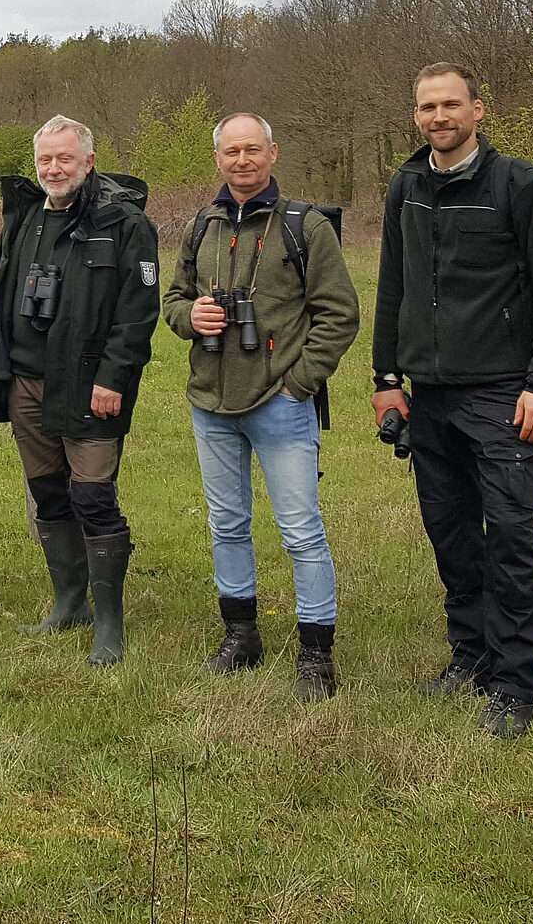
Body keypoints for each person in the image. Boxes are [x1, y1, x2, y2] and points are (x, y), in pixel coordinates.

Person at [372, 62, 533, 739]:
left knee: (511, 537)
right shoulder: (407, 184)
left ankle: (516, 686)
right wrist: (385, 378)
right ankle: (473, 656)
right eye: (427, 105)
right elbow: (393, 286)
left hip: (502, 393)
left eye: (451, 103)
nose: (439, 115)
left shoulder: (522, 186)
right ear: (416, 115)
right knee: (452, 534)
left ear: (478, 110)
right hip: (429, 395)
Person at [161, 113, 358, 699]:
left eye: (252, 150)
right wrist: (187, 317)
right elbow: (172, 298)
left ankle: (316, 655)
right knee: (227, 524)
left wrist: (299, 383)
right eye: (230, 151)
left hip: (280, 403)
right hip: (211, 403)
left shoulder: (306, 226)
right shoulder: (203, 224)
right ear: (217, 158)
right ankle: (240, 637)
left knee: (301, 531)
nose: (241, 160)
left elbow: (339, 314)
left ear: (273, 153)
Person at [0, 115, 160, 666]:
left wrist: (113, 378)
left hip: (89, 385)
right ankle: (69, 602)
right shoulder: (26, 217)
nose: (54, 169)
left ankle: (109, 623)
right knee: (48, 492)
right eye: (45, 160)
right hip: (26, 381)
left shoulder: (123, 223)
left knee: (94, 496)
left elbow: (137, 313)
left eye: (65, 159)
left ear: (88, 162)